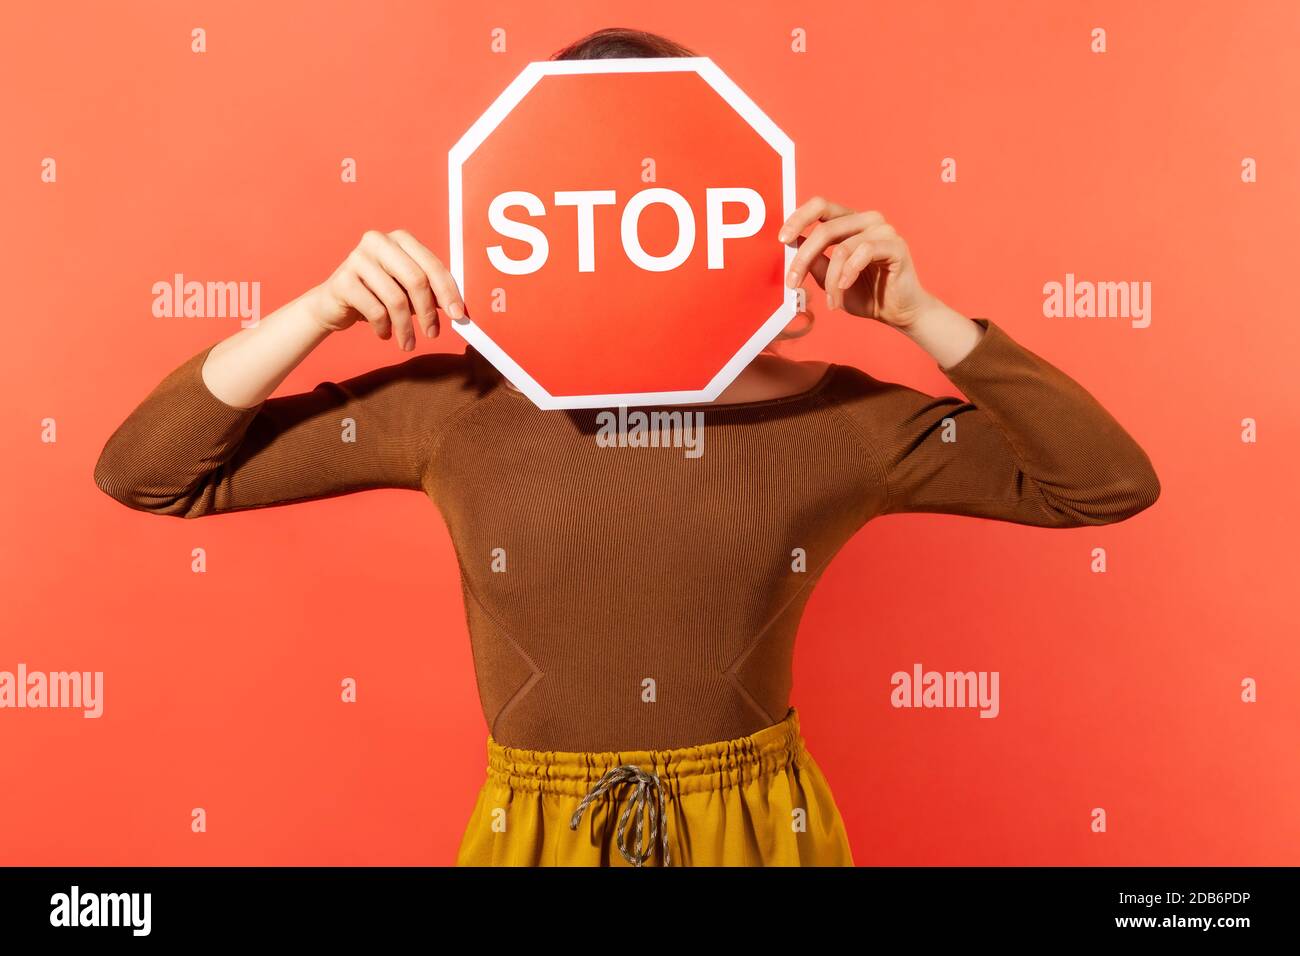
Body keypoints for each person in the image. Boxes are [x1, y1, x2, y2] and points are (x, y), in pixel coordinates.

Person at [93, 27, 1161, 867]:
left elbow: (1101, 485)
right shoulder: (460, 403)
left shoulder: (834, 416)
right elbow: (151, 474)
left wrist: (922, 313)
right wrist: (317, 309)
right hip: (533, 837)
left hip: (760, 836)